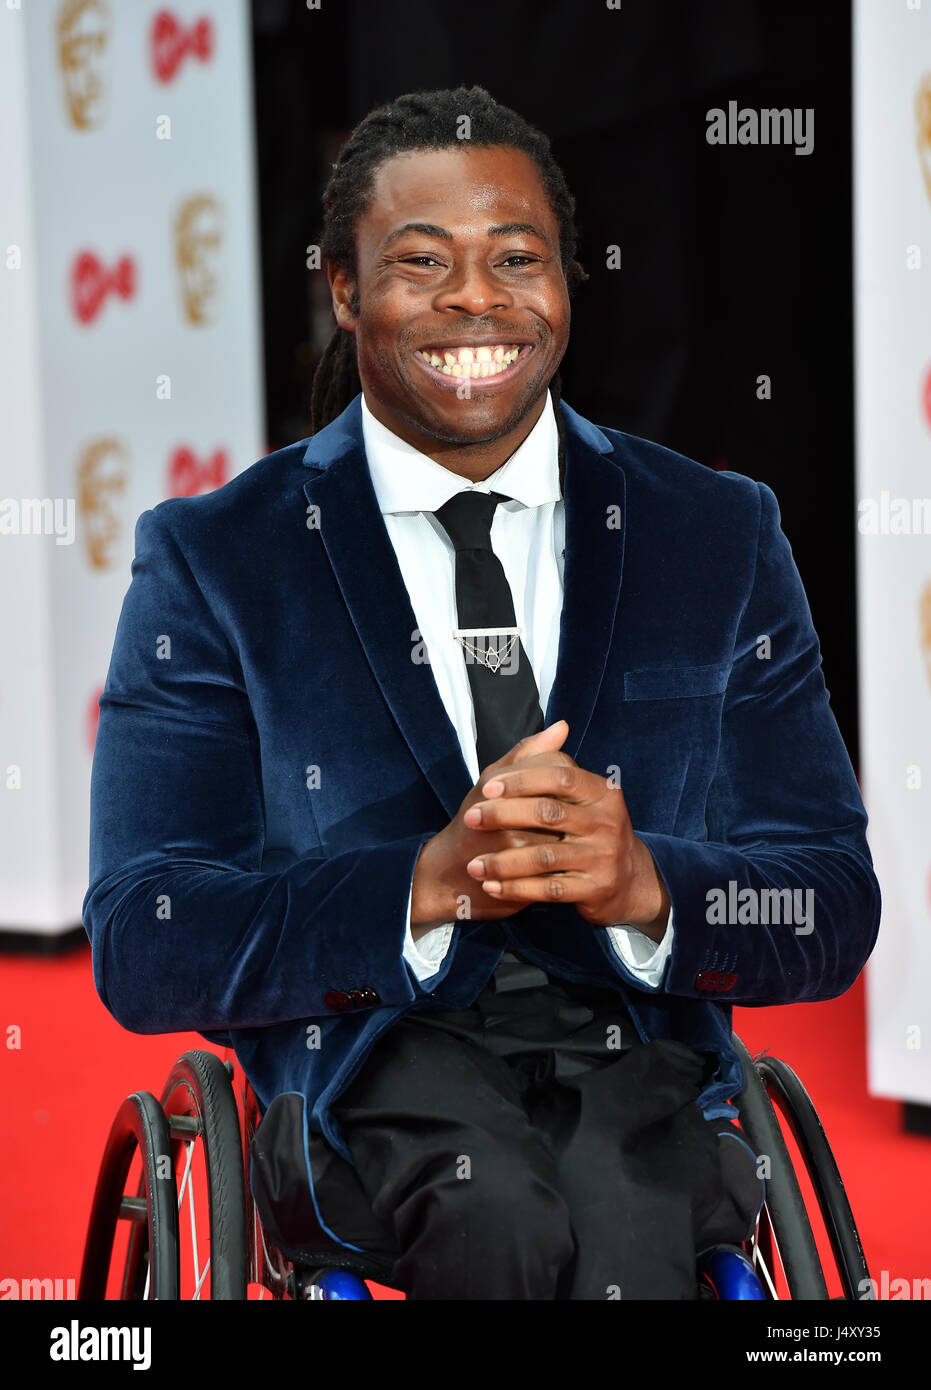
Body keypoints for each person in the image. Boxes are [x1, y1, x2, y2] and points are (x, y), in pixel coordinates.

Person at [84, 86, 881, 1300]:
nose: (474, 299)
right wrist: (419, 887)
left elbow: (827, 898)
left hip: (641, 1062)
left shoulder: (712, 532)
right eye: (421, 262)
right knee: (497, 1215)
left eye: (516, 257)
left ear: (569, 280)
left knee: (625, 1226)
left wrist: (651, 884)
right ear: (344, 293)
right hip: (365, 1061)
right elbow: (147, 937)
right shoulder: (219, 559)